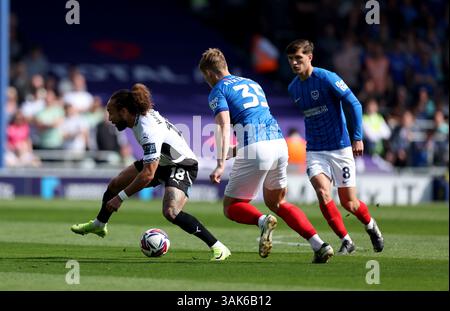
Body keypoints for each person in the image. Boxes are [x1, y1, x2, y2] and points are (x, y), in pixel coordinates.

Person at [198, 48, 334, 263]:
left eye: (206, 78)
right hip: (279, 144)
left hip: (257, 148)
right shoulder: (252, 83)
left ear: (210, 74)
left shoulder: (217, 90)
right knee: (279, 202)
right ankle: (319, 244)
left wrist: (220, 164)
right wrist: (237, 150)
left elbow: (224, 126)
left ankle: (262, 221)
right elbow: (256, 119)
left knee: (231, 206)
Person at [71, 83, 231, 261]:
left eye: (111, 112)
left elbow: (148, 175)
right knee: (116, 184)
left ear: (124, 111)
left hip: (182, 165)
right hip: (162, 160)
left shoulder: (147, 130)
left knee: (171, 212)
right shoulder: (140, 118)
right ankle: (99, 224)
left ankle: (218, 247)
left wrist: (120, 198)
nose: (109, 118)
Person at [285, 39, 384, 254]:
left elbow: (354, 103)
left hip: (340, 147)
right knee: (323, 193)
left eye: (298, 58)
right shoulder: (293, 88)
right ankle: (346, 240)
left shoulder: (327, 78)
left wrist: (357, 137)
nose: (294, 63)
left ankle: (370, 226)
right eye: (291, 59)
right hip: (315, 150)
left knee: (350, 204)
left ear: (309, 57)